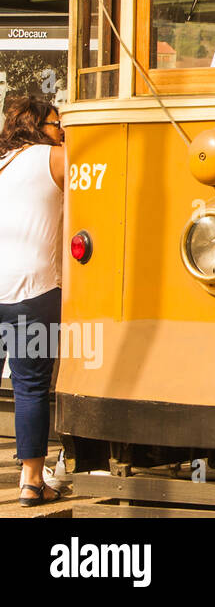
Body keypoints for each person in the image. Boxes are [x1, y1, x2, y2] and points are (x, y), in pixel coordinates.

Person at [0, 96, 68, 506]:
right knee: (29, 388)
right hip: (34, 288)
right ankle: (30, 482)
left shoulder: (2, 162)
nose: (61, 129)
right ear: (38, 126)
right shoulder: (56, 158)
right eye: (56, 123)